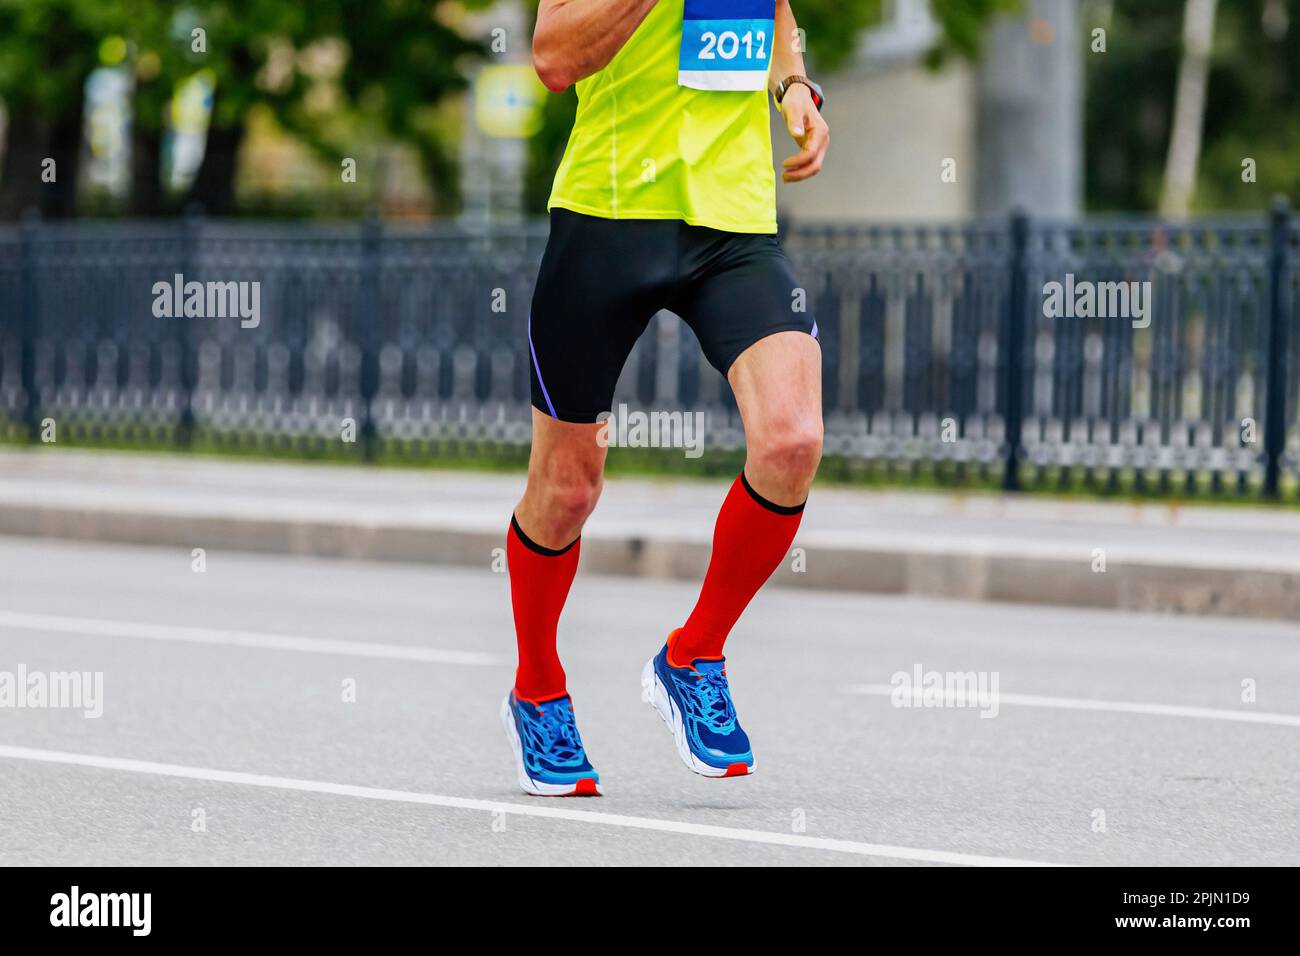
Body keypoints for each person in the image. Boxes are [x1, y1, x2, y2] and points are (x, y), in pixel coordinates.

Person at [501, 0, 829, 796]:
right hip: (608, 215)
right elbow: (552, 55)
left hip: (732, 223)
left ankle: (694, 655)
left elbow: (774, 8)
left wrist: (790, 84)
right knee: (567, 488)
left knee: (791, 440)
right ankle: (538, 686)